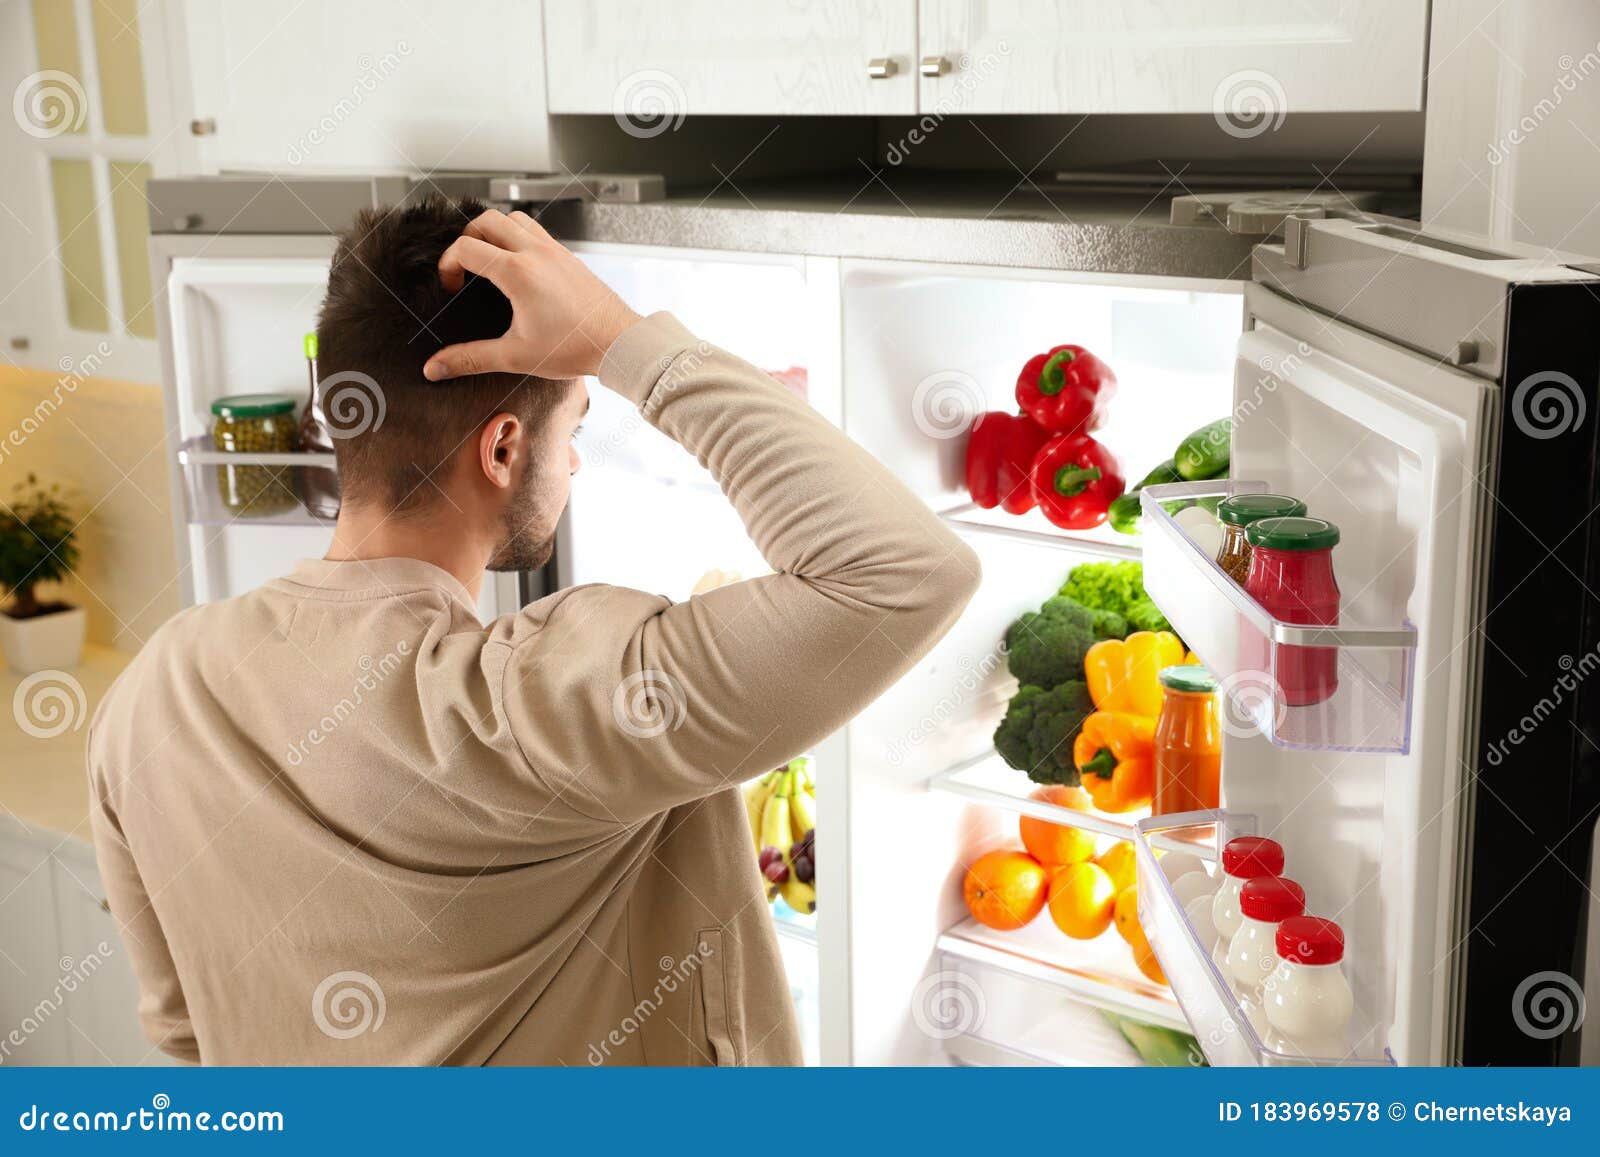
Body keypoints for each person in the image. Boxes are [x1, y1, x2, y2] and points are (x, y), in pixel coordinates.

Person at [88, 197, 979, 1065]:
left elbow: (186, 1032)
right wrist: (626, 341)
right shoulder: (546, 705)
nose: (579, 461)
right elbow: (902, 569)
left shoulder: (149, 693)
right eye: (575, 428)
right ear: (504, 448)